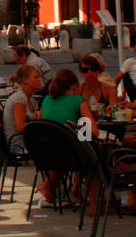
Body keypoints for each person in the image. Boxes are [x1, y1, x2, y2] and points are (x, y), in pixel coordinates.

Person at [37, 69, 96, 207]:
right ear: (74, 86)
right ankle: (94, 201)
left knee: (72, 145)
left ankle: (65, 187)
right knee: (91, 151)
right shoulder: (78, 100)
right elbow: (94, 131)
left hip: (43, 151)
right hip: (68, 154)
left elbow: (38, 124)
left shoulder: (47, 100)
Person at [2, 65, 42, 156]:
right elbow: (20, 127)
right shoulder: (20, 99)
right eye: (36, 77)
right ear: (25, 80)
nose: (40, 80)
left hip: (26, 141)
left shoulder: (32, 100)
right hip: (18, 145)